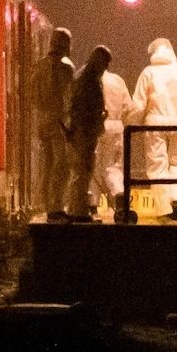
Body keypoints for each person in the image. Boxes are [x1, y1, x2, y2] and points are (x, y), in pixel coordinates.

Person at [132, 37, 177, 221]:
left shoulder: (148, 72)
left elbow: (138, 103)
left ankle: (163, 209)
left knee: (157, 164)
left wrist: (133, 123)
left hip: (155, 123)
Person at [32, 28, 75, 222]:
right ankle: (56, 206)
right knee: (62, 165)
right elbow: (68, 98)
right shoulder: (65, 67)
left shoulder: (38, 66)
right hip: (59, 122)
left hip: (42, 121)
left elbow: (30, 94)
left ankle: (46, 203)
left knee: (47, 165)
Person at [64, 46, 109, 222]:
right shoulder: (87, 80)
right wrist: (99, 116)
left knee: (83, 171)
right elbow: (83, 108)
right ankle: (78, 211)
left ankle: (78, 208)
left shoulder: (87, 76)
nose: (105, 69)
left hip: (84, 130)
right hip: (84, 131)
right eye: (105, 64)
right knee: (82, 171)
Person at [90, 46, 133, 217]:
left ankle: (91, 205)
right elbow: (129, 108)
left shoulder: (89, 80)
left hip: (95, 128)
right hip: (116, 127)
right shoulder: (118, 81)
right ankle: (120, 196)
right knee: (113, 167)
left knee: (92, 167)